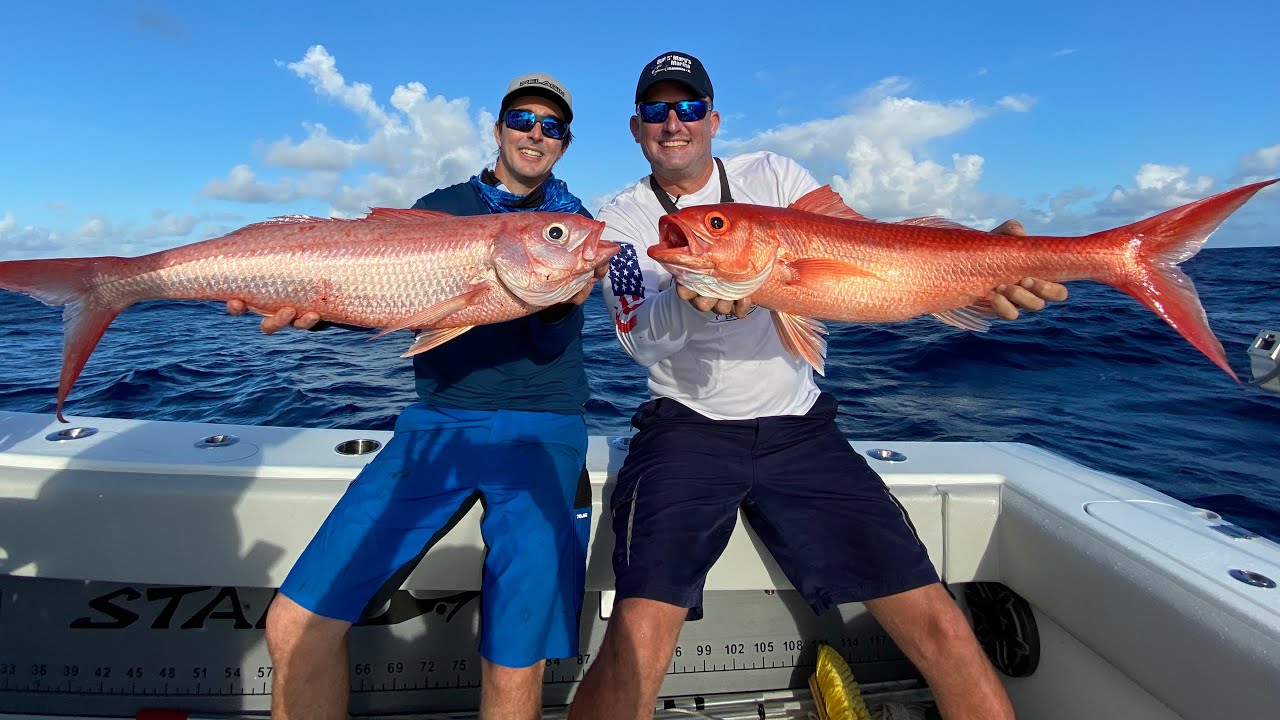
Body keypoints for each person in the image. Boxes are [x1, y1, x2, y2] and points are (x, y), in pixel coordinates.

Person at [568, 52, 1068, 720]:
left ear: (712, 120)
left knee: (943, 626)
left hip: (800, 430)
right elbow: (636, 339)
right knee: (635, 638)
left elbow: (861, 245)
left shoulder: (772, 174)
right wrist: (691, 301)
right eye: (656, 111)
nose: (673, 123)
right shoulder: (624, 219)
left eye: (687, 108)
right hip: (684, 430)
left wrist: (979, 261)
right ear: (636, 129)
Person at [228, 72, 607, 720]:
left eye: (553, 127)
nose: (535, 134)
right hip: (435, 425)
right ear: (498, 129)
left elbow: (550, 345)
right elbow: (382, 292)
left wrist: (555, 304)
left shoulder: (571, 228)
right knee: (292, 625)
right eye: (523, 119)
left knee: (515, 661)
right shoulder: (442, 206)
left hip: (542, 431)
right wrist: (316, 310)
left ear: (564, 145)